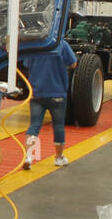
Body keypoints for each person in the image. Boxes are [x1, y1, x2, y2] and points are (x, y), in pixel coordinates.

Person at [19, 38, 78, 169]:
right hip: (57, 93)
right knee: (58, 126)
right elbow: (73, 63)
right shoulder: (61, 44)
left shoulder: (35, 45)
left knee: (34, 125)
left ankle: (29, 157)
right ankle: (58, 158)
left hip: (37, 93)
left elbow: (26, 64)